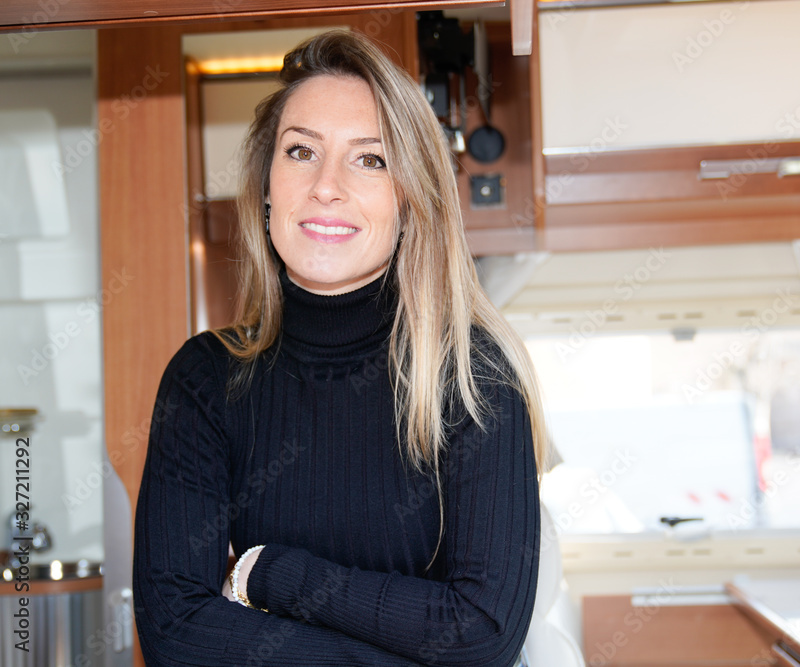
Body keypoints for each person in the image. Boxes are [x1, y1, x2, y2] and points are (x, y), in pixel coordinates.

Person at [133, 28, 546, 666]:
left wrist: (267, 573)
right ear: (267, 186)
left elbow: (481, 634)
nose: (327, 185)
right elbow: (176, 631)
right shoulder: (205, 379)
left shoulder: (473, 377)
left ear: (410, 201)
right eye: (301, 152)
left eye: (370, 159)